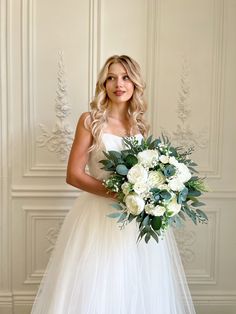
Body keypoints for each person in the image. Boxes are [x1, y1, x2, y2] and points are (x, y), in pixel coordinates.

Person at [31, 55, 196, 313]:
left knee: (136, 284)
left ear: (135, 84)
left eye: (125, 77)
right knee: (98, 283)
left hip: (135, 219)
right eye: (111, 77)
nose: (119, 83)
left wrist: (150, 195)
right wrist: (122, 194)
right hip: (99, 216)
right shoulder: (90, 121)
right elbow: (73, 174)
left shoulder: (139, 125)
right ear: (103, 84)